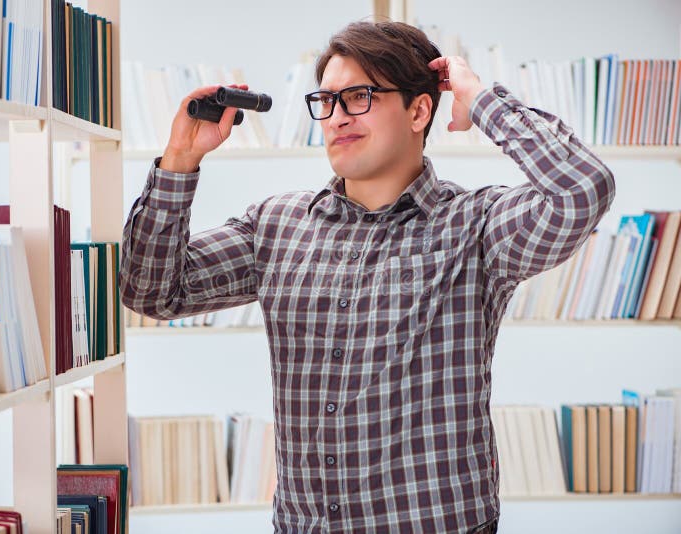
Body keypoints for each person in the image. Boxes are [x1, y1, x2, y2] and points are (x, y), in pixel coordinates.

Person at [120, 20, 615, 534]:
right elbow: (151, 290)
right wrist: (180, 159)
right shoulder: (275, 225)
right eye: (326, 101)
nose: (336, 117)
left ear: (419, 109)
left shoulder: (478, 226)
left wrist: (480, 98)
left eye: (359, 96)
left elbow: (582, 189)